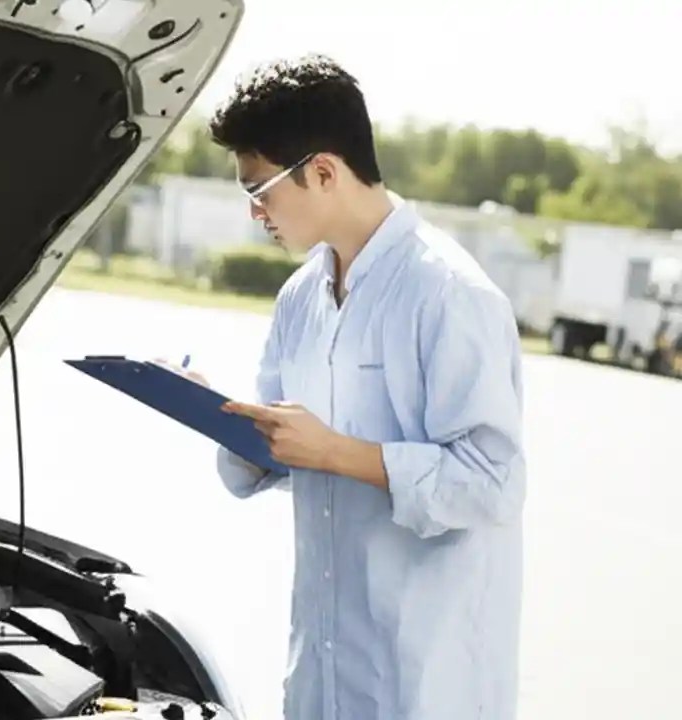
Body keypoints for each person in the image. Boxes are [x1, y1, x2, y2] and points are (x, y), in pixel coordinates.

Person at [193, 54, 526, 720]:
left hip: (425, 678)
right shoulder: (300, 298)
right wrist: (220, 416)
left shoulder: (451, 296)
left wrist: (334, 452)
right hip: (322, 665)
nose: (256, 211)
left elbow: (493, 481)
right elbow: (280, 454)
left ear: (322, 170)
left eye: (259, 189)